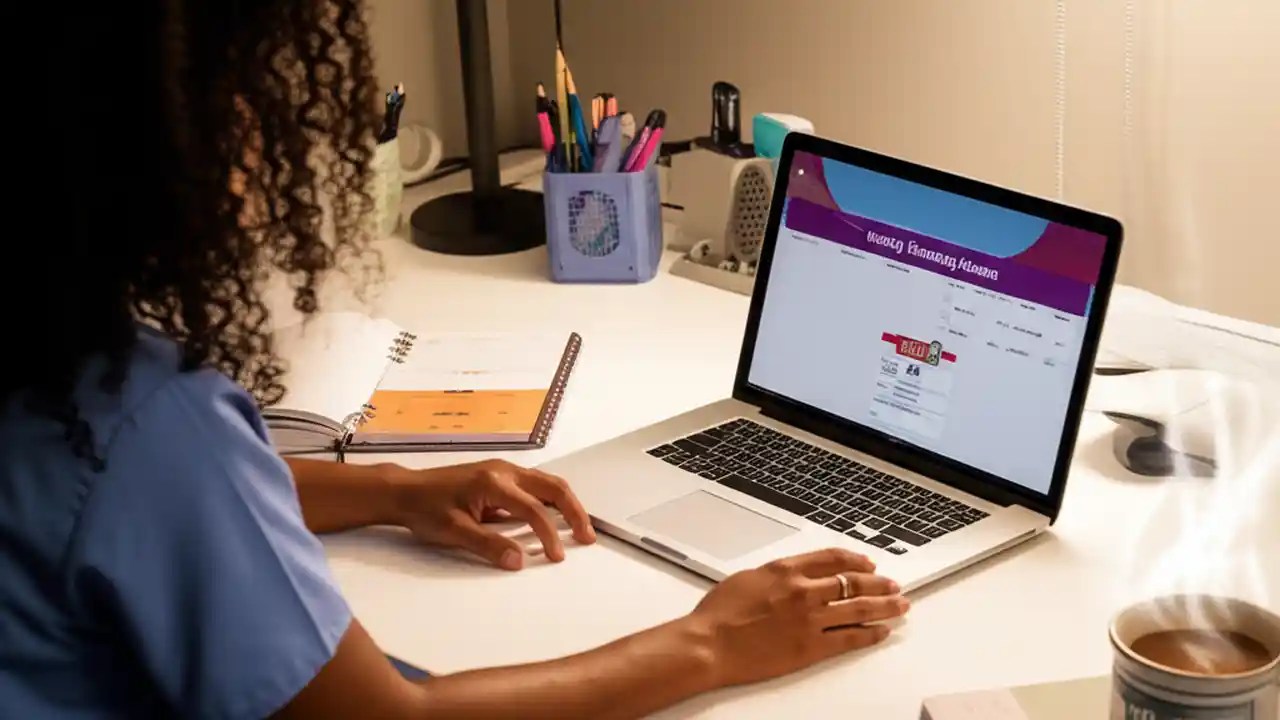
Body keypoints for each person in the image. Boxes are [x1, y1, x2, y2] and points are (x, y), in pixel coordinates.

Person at [1, 2, 910, 718]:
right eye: (230, 87)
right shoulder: (145, 419)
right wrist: (712, 643)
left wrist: (394, 491)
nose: (259, 119)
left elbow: (121, 513)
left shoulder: (65, 389)